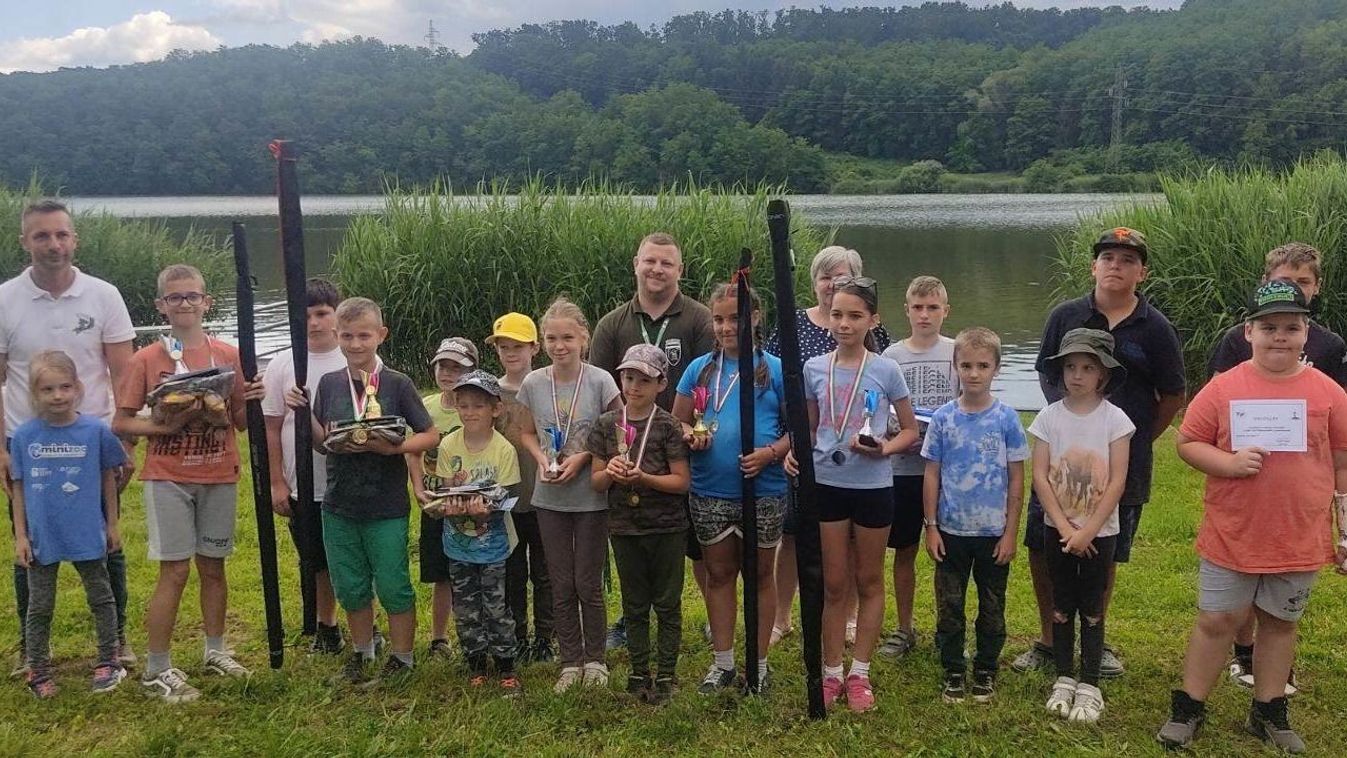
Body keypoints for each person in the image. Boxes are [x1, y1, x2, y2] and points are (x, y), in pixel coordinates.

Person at [1156, 280, 1347, 753]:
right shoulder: (1224, 387)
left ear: (1307, 333)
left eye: (1291, 327)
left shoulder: (1328, 392)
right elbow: (1188, 442)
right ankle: (1189, 706)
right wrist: (1228, 463)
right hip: (1233, 532)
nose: (1279, 336)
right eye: (1268, 327)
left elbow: (1342, 462)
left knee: (1279, 623)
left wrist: (1345, 530)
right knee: (1217, 619)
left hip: (1298, 535)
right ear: (1248, 332)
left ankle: (1268, 710)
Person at [1015, 227, 1185, 678]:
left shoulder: (1157, 328)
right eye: (1108, 257)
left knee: (1105, 548)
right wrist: (1067, 428)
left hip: (1121, 463)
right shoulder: (1065, 315)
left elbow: (1172, 393)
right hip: (1060, 459)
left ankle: (1096, 637)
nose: (1116, 266)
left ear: (1142, 273)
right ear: (1094, 266)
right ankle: (1050, 639)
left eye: (1128, 260)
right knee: (1043, 543)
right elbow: (1046, 373)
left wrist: (1130, 442)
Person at [113, 264, 264, 702]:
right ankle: (156, 668)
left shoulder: (228, 354)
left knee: (214, 567)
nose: (184, 304)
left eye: (192, 296)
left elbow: (238, 421)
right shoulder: (147, 358)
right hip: (169, 477)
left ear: (206, 302)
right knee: (175, 571)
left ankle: (215, 650)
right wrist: (165, 426)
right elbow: (121, 421)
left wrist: (252, 399)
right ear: (161, 305)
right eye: (175, 297)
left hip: (219, 472)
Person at [1, 199, 136, 675]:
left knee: (106, 541)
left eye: (61, 234)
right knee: (30, 545)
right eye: (42, 235)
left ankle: (117, 639)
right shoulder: (5, 299)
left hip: (92, 446)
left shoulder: (104, 296)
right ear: (25, 241)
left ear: (74, 239)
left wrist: (125, 442)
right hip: (27, 447)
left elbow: (125, 375)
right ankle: (30, 646)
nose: (53, 244)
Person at [1206, 243, 1346, 694]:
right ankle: (1244, 652)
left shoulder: (1330, 345)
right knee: (1240, 573)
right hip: (1245, 478)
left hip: (1299, 484)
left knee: (1282, 588)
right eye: (1284, 281)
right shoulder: (1237, 338)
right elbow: (1216, 403)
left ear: (1316, 288)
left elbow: (1335, 421)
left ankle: (1274, 669)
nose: (1294, 288)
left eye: (1303, 282)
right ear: (1265, 284)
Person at [298, 297, 439, 687]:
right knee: (349, 584)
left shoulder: (397, 383)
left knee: (393, 583)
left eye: (364, 336)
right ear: (336, 336)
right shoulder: (329, 384)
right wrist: (303, 414)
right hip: (339, 503)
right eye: (347, 336)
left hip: (386, 505)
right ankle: (362, 653)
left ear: (381, 335)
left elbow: (430, 434)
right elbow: (323, 444)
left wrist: (395, 448)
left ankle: (403, 658)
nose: (356, 344)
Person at [590, 232, 714, 649]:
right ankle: (631, 619)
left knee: (697, 542)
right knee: (636, 537)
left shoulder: (699, 319)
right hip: (629, 447)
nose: (657, 270)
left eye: (666, 263)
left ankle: (713, 616)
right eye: (650, 261)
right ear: (636, 264)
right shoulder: (612, 324)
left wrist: (692, 428)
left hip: (686, 444)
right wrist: (617, 442)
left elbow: (710, 382)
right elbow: (603, 389)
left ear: (680, 270)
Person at [803, 276, 918, 713]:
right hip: (828, 485)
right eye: (837, 315)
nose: (844, 324)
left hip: (872, 486)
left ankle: (860, 673)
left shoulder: (886, 369)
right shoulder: (815, 368)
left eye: (855, 316)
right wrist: (797, 456)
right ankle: (832, 672)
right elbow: (810, 430)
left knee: (869, 580)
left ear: (873, 320)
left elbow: (909, 430)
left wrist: (883, 448)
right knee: (834, 583)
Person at [766, 245, 891, 648]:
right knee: (791, 533)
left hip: (855, 454)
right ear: (814, 283)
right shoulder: (792, 324)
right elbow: (772, 380)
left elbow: (881, 390)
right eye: (825, 277)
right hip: (802, 445)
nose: (832, 284)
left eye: (842, 277)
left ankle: (850, 616)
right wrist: (787, 444)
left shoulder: (873, 331)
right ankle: (782, 616)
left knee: (850, 541)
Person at [673, 283, 790, 697]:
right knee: (719, 574)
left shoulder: (775, 369)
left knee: (759, 576)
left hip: (765, 489)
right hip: (710, 490)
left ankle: (759, 666)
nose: (725, 327)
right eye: (719, 319)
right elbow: (677, 421)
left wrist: (771, 454)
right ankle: (722, 663)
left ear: (754, 318)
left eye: (734, 318)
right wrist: (691, 435)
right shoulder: (699, 369)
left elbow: (799, 430)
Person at [1028, 329, 1135, 724]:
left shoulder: (1115, 420)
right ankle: (1063, 677)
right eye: (1070, 366)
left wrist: (1088, 531)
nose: (1077, 375)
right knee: (1060, 603)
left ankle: (1090, 684)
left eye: (1088, 368)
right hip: (1056, 529)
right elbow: (1040, 477)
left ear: (1103, 374)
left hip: (1099, 533)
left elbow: (1118, 481)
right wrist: (1063, 527)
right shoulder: (1048, 418)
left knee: (1092, 604)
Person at [517, 296, 622, 691]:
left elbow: (619, 432)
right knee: (560, 582)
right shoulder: (533, 383)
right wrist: (540, 459)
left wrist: (583, 458)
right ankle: (570, 662)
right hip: (549, 497)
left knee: (587, 582)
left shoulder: (601, 381)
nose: (559, 346)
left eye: (567, 338)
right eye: (551, 338)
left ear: (584, 338)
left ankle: (596, 660)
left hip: (591, 496)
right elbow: (526, 431)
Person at [10, 351, 127, 697]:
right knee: (40, 605)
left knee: (101, 596)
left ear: (77, 387)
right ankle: (38, 670)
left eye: (64, 387)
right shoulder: (24, 436)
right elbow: (18, 488)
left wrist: (112, 524)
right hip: (43, 536)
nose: (57, 395)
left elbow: (109, 479)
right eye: (47, 389)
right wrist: (21, 536)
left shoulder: (95, 431)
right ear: (35, 393)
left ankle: (109, 660)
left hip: (86, 530)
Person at [922, 327, 1028, 705]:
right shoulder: (943, 418)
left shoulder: (1007, 419)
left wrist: (1011, 532)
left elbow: (1017, 478)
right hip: (951, 531)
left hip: (993, 533)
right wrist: (931, 526)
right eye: (966, 365)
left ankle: (986, 667)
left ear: (996, 368)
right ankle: (953, 667)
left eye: (983, 366)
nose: (974, 373)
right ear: (955, 367)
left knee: (992, 605)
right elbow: (932, 474)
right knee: (949, 605)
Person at [589, 344, 691, 704]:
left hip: (667, 527)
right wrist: (611, 472)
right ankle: (638, 671)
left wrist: (644, 478)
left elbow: (681, 482)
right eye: (628, 377)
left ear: (661, 384)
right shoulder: (606, 424)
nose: (634, 386)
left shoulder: (667, 425)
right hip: (624, 527)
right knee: (634, 604)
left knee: (667, 603)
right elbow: (596, 481)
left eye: (644, 380)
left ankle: (666, 673)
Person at [262, 277, 348, 655]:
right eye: (306, 315)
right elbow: (271, 427)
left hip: (348, 479)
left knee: (354, 555)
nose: (313, 322)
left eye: (322, 314)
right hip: (303, 482)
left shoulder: (354, 357)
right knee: (315, 560)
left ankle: (365, 622)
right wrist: (277, 482)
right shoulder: (282, 363)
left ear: (336, 315)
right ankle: (326, 626)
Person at [878, 275, 959, 659]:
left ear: (946, 311)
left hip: (947, 471)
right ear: (906, 311)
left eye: (933, 308)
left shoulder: (957, 352)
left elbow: (969, 407)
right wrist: (894, 433)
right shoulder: (890, 356)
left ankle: (950, 629)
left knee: (951, 554)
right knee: (904, 549)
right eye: (918, 307)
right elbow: (878, 410)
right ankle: (904, 627)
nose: (925, 315)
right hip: (902, 470)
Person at [431, 371, 524, 696]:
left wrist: (487, 510)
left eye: (478, 406)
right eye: (464, 405)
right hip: (457, 545)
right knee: (466, 608)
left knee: (496, 607)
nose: (470, 412)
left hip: (493, 546)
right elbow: (446, 492)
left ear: (495, 409)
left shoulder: (503, 449)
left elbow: (507, 497)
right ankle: (475, 662)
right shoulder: (448, 444)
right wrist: (451, 506)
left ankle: (506, 664)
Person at [490, 312, 554, 663]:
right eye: (504, 347)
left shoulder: (547, 384)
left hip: (543, 494)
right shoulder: (491, 391)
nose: (511, 353)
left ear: (534, 348)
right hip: (507, 499)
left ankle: (546, 637)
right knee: (512, 571)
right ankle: (516, 634)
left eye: (518, 346)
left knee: (545, 571)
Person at [410, 336, 477, 660]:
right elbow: (413, 451)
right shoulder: (426, 406)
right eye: (443, 366)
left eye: (456, 368)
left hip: (469, 504)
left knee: (473, 570)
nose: (448, 373)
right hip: (435, 504)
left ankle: (476, 633)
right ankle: (439, 638)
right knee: (441, 575)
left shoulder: (476, 408)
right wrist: (417, 487)